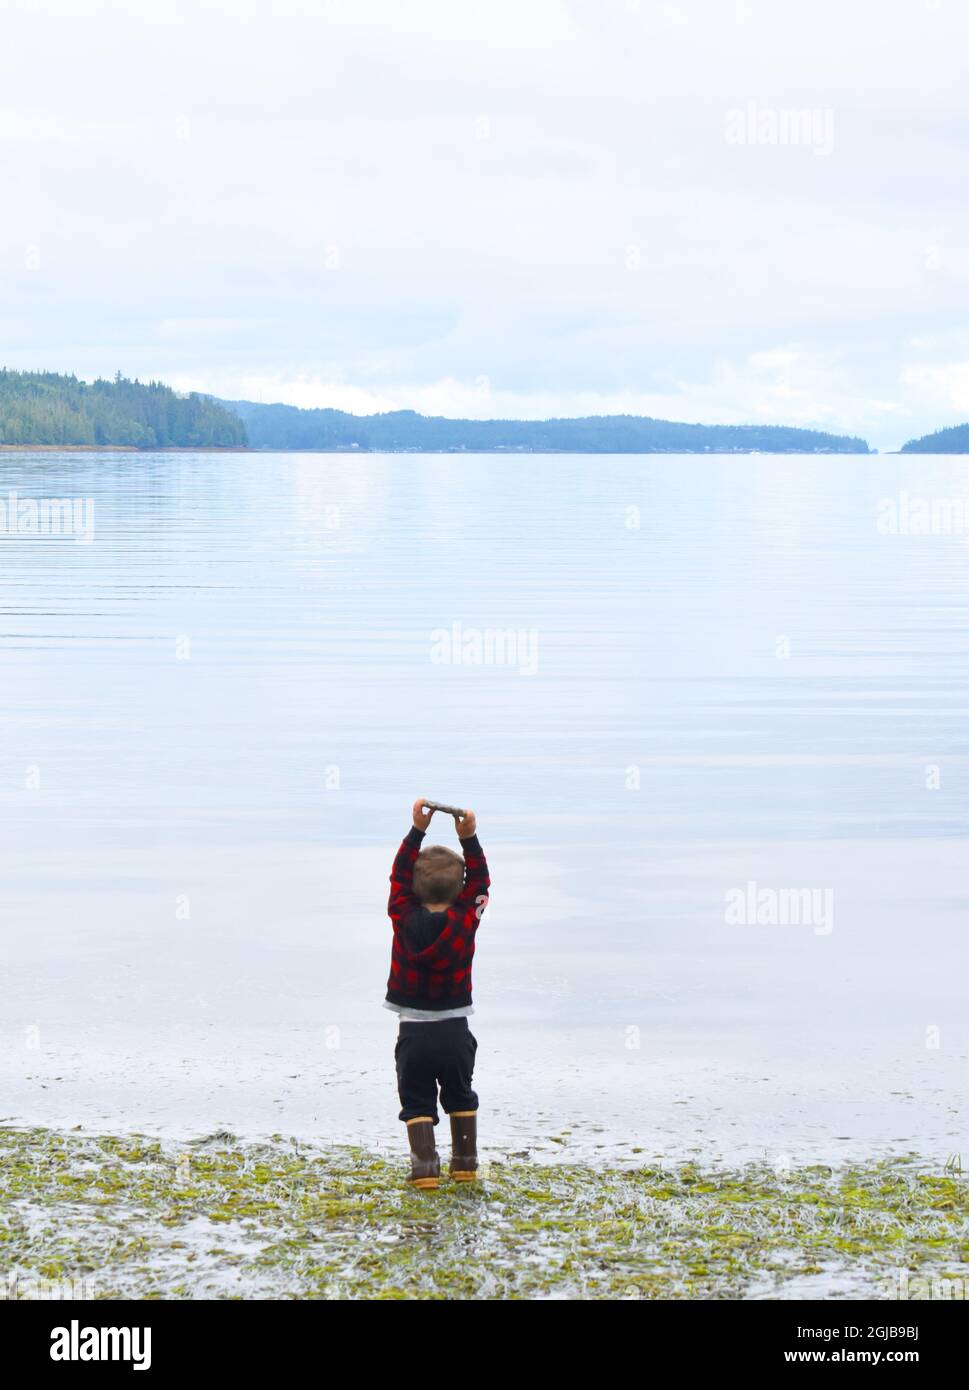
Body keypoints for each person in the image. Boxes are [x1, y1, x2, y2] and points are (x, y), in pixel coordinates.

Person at [385, 797, 490, 1188]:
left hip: (413, 1033)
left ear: (412, 888)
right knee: (461, 1094)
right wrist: (470, 839)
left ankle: (424, 1170)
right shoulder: (465, 920)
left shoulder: (402, 915)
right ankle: (465, 1165)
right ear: (460, 889)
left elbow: (396, 879)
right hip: (455, 1031)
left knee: (416, 1100)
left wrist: (416, 831)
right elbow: (481, 885)